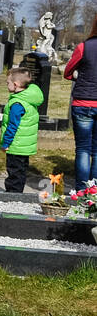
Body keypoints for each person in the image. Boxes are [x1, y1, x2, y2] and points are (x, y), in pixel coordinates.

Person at [62, 13, 97, 186]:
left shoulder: (84, 47)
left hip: (83, 102)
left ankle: (82, 191)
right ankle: (95, 191)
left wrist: (78, 75)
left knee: (83, 149)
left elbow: (68, 72)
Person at [0, 66, 43, 193]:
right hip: (24, 145)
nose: (7, 85)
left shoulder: (17, 104)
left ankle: (13, 196)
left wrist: (6, 143)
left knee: (14, 173)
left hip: (16, 145)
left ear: (16, 84)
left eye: (8, 83)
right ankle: (17, 194)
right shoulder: (29, 99)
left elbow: (13, 125)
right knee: (21, 172)